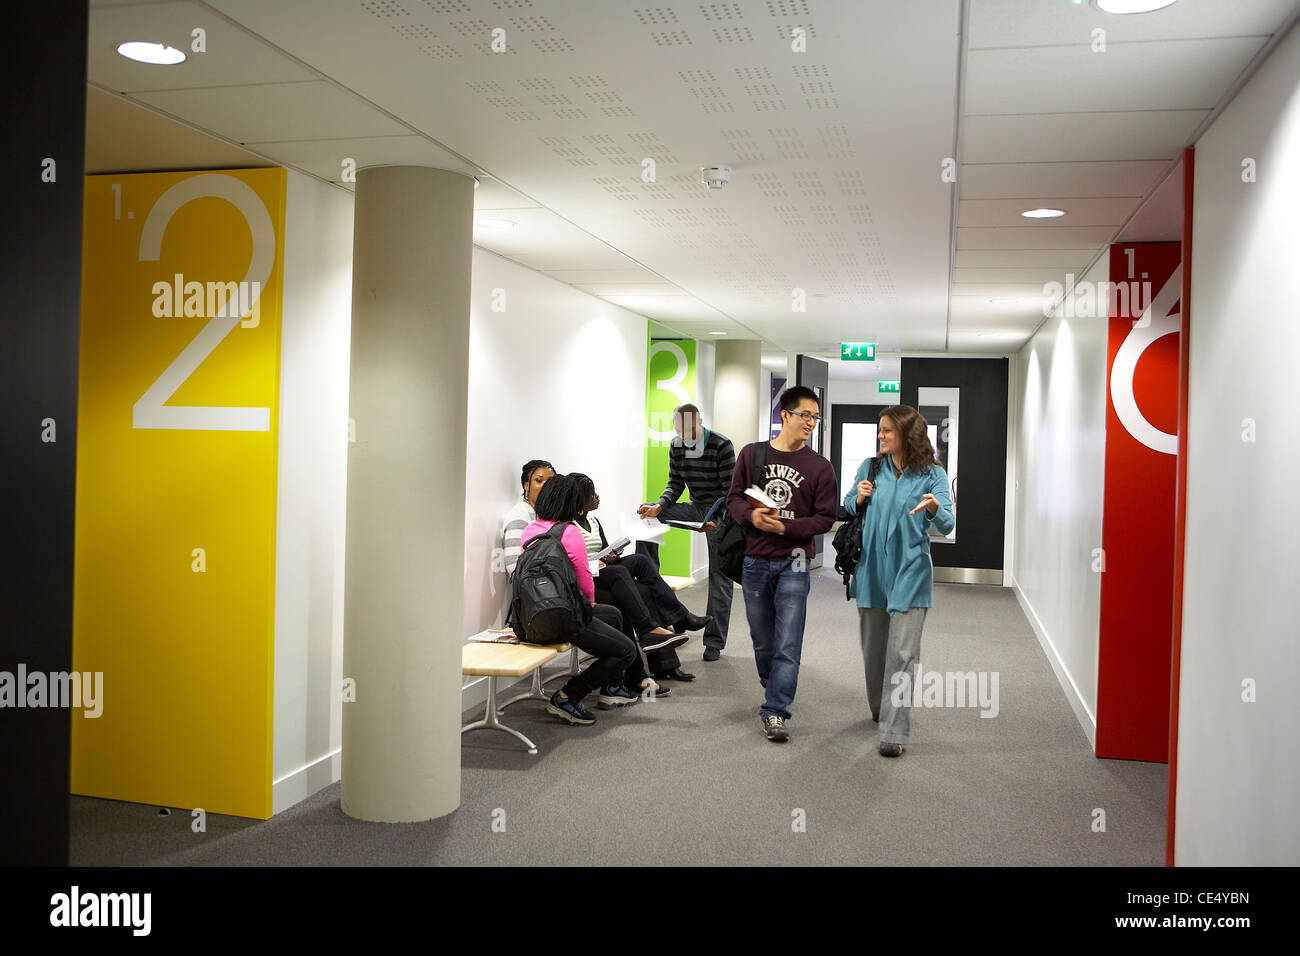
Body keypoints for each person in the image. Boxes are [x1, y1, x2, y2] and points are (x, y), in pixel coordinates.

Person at [725, 386, 838, 743]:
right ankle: (774, 684)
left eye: (816, 417)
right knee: (763, 641)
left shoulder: (820, 467)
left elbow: (826, 518)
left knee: (788, 641)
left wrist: (786, 528)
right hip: (755, 559)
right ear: (785, 415)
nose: (811, 422)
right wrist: (752, 518)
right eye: (805, 415)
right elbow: (733, 498)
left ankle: (775, 709)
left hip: (796, 562)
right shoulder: (752, 454)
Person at [842, 405, 954, 757]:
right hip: (872, 571)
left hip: (911, 571)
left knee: (903, 653)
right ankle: (880, 708)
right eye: (880, 429)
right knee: (874, 651)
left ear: (907, 433)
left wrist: (934, 507)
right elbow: (848, 506)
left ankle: (894, 730)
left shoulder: (933, 474)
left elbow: (948, 523)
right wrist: (858, 497)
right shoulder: (871, 467)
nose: (881, 435)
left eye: (887, 430)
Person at [519, 474, 644, 725]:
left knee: (614, 615)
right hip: (565, 617)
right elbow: (584, 578)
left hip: (532, 617)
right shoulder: (569, 532)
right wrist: (589, 605)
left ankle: (612, 686)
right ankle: (568, 696)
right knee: (626, 651)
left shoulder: (531, 530)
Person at [570, 473, 704, 683]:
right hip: (590, 579)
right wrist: (597, 563)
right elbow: (574, 562)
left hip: (606, 572)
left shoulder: (593, 521)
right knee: (638, 576)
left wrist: (611, 555)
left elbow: (604, 548)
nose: (597, 497)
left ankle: (666, 664)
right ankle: (679, 618)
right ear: (580, 497)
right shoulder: (569, 526)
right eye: (592, 494)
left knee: (643, 582)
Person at [637, 404, 736, 662]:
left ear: (700, 422)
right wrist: (659, 506)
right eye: (679, 431)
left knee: (720, 576)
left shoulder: (721, 445)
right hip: (695, 508)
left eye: (689, 430)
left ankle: (714, 642)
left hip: (720, 513)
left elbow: (730, 492)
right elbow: (675, 484)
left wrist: (715, 519)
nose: (684, 436)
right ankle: (654, 586)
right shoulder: (676, 445)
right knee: (647, 517)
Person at [502, 459, 554, 578]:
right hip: (537, 587)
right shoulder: (520, 515)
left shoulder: (544, 515)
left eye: (550, 482)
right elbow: (513, 567)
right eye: (539, 480)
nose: (545, 486)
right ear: (527, 485)